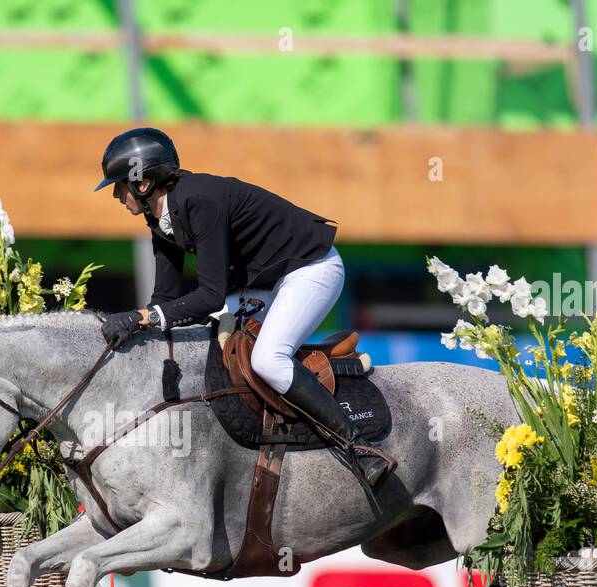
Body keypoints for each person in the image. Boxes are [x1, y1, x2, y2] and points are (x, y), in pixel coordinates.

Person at [95, 127, 395, 489]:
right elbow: (165, 300)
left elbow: (208, 295)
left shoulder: (198, 200)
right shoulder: (160, 218)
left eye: (118, 185)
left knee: (268, 359)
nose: (115, 194)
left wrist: (143, 317)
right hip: (267, 283)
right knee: (213, 342)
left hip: (311, 269)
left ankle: (358, 447)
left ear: (142, 185)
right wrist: (140, 323)